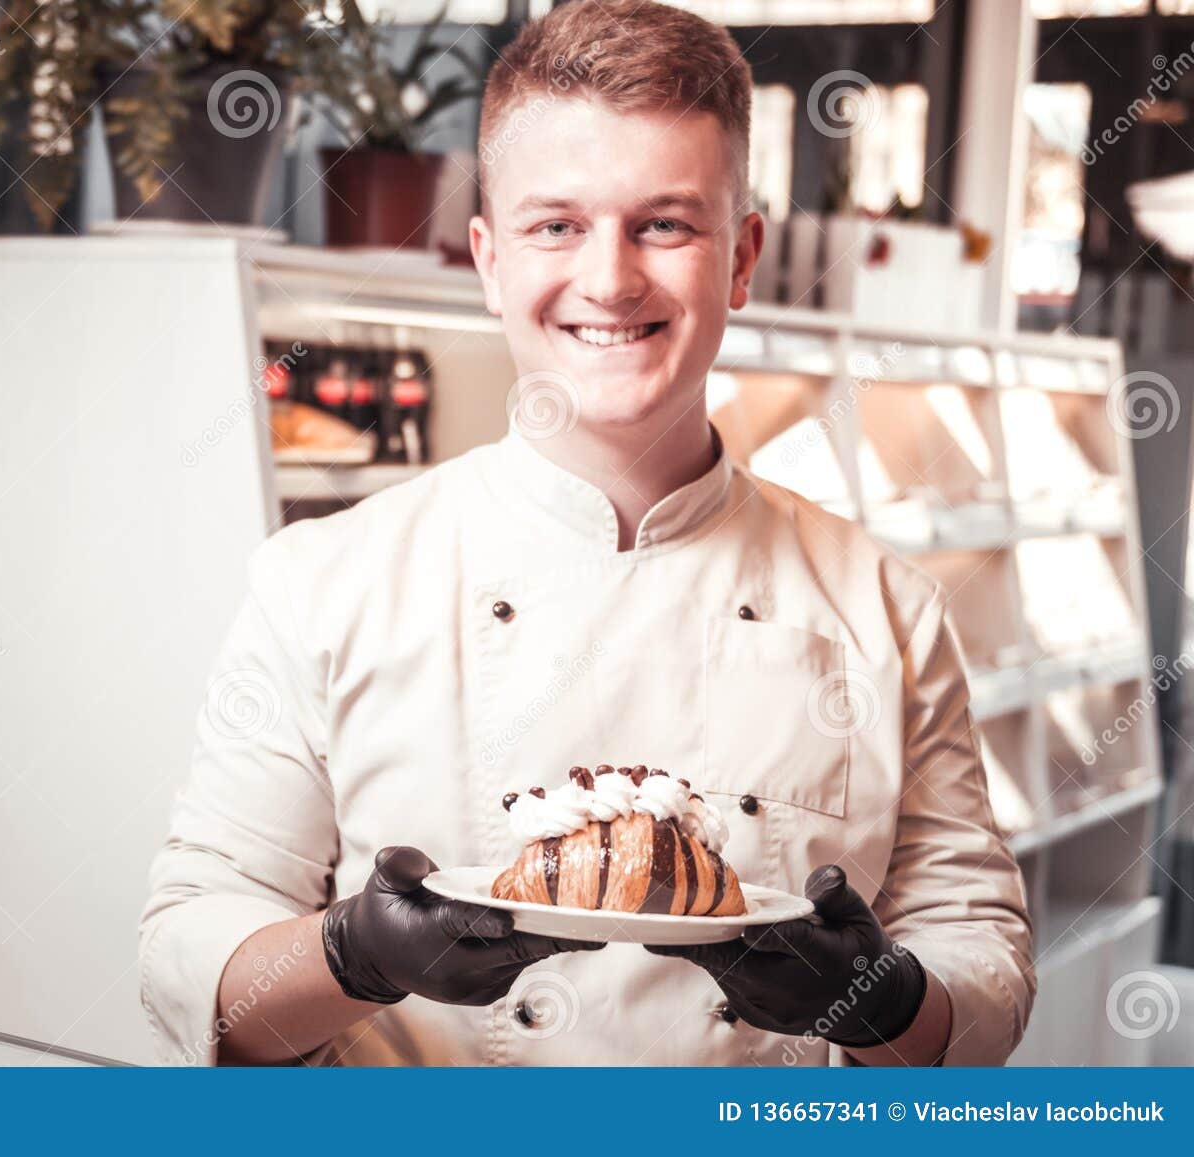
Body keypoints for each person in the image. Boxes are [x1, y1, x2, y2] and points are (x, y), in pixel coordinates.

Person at [140, 0, 1035, 1066]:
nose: (609, 279)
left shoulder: (887, 607)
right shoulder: (321, 582)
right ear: (486, 259)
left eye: (665, 223)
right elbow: (184, 957)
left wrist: (882, 1001)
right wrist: (353, 956)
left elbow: (981, 957)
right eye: (555, 225)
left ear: (741, 257)